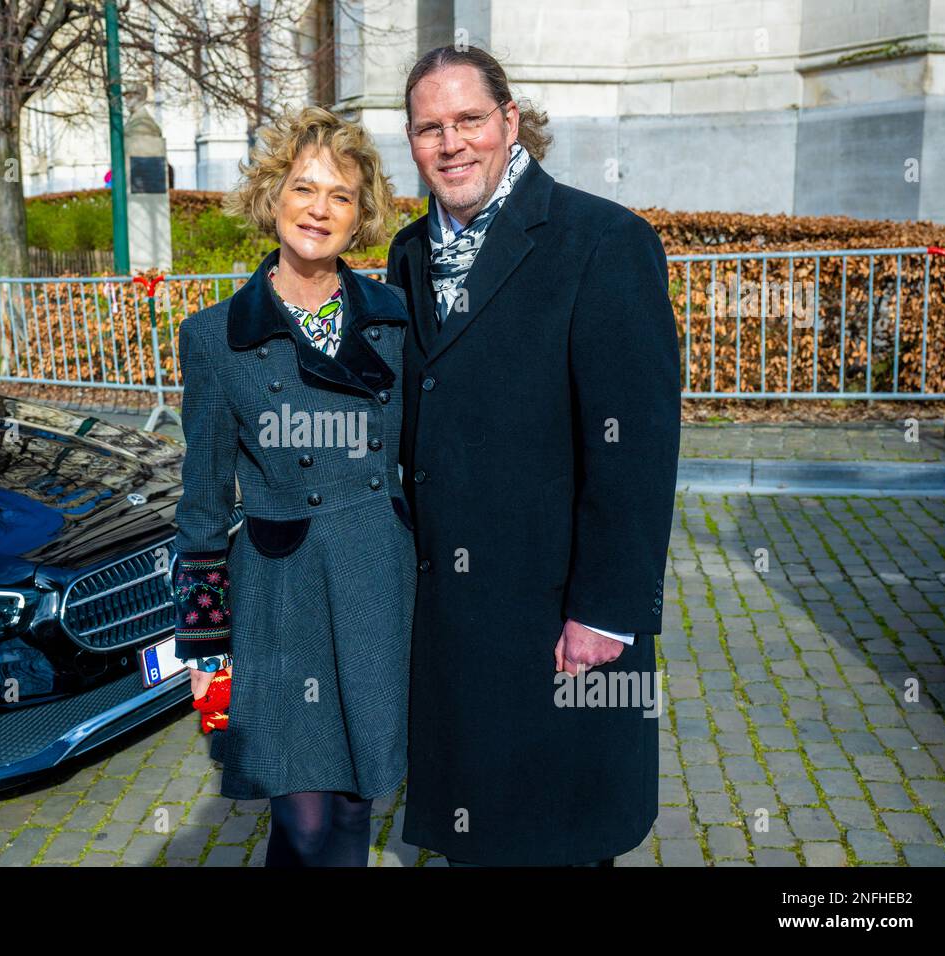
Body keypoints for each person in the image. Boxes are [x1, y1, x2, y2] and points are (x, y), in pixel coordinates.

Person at [385, 44, 681, 867]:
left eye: (469, 120)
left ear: (510, 122)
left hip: (558, 617)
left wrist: (605, 611)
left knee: (561, 833)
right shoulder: (409, 254)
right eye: (428, 128)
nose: (451, 144)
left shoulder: (602, 241)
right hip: (452, 617)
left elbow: (638, 451)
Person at [171, 105, 415, 866]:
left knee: (353, 811)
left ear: (360, 215)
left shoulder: (396, 321)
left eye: (341, 195)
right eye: (304, 188)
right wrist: (206, 643)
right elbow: (204, 496)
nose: (320, 209)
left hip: (378, 581)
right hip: (283, 592)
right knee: (303, 824)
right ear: (273, 198)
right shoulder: (216, 337)